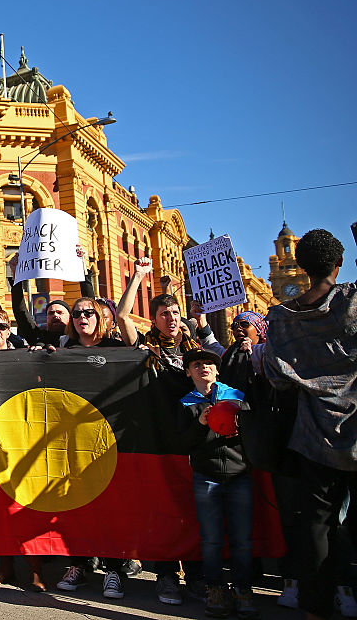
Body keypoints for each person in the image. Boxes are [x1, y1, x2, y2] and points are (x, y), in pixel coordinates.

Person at [264, 229, 357, 620]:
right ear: (338, 264)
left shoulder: (280, 317)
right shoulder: (351, 302)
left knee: (316, 525)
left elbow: (275, 376)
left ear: (299, 265)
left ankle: (316, 609)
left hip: (313, 434)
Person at [117, 256, 209, 605]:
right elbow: (124, 316)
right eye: (164, 315)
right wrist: (139, 276)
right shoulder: (146, 348)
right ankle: (167, 576)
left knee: (194, 507)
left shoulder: (195, 351)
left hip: (193, 437)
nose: (171, 320)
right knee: (165, 507)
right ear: (154, 320)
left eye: (175, 314)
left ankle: (198, 575)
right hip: (157, 436)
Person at [55, 298, 131, 598]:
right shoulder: (65, 352)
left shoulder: (116, 347)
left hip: (109, 441)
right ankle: (78, 564)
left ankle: (113, 570)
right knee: (77, 505)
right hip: (74, 443)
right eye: (77, 314)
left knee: (110, 507)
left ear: (100, 317)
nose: (82, 318)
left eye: (88, 313)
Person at [176, 348, 258, 619]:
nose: (204, 368)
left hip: (239, 476)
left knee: (242, 540)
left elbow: (253, 436)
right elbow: (184, 443)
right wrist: (201, 423)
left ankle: (243, 589)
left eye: (209, 363)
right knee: (211, 540)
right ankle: (215, 588)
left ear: (217, 369)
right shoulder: (186, 403)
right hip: (206, 477)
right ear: (188, 372)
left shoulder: (236, 397)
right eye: (197, 364)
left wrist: (237, 422)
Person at [0, 309, 47, 592]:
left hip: (22, 441)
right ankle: (5, 567)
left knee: (28, 507)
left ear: (9, 330)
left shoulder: (25, 356)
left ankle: (35, 569)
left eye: (1, 326)